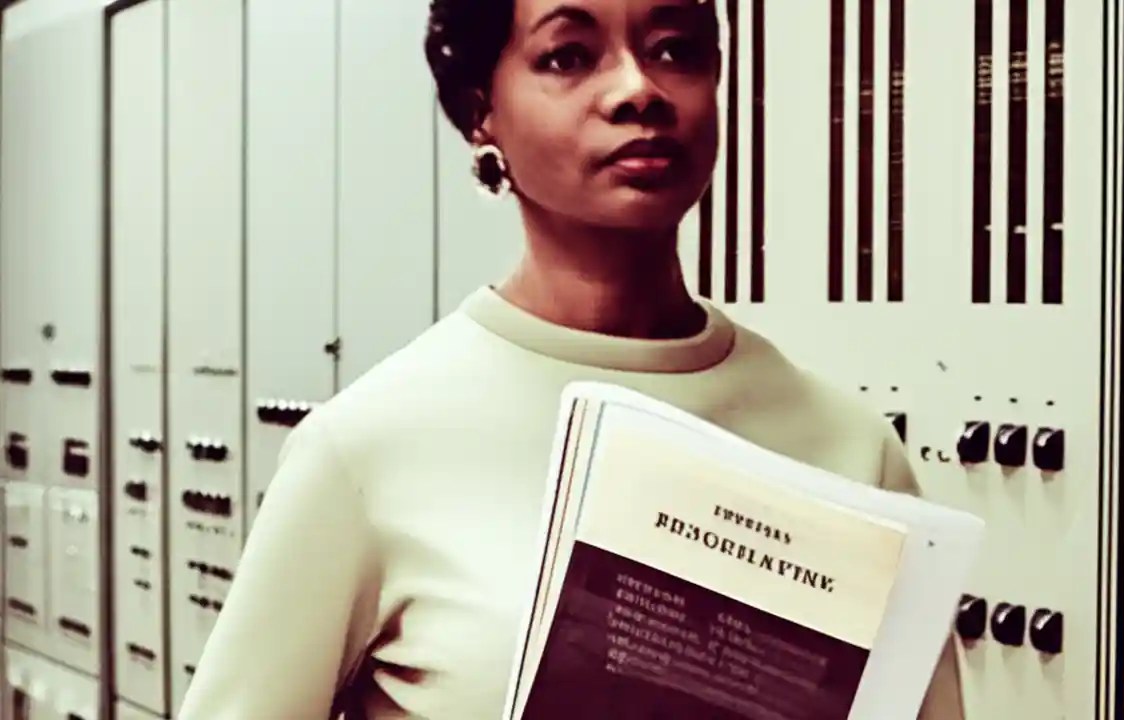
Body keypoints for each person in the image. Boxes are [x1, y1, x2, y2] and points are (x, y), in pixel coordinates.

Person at [177, 0, 966, 717]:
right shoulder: (366, 449)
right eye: (567, 56)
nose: (638, 90)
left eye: (675, 49)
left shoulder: (853, 450)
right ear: (481, 111)